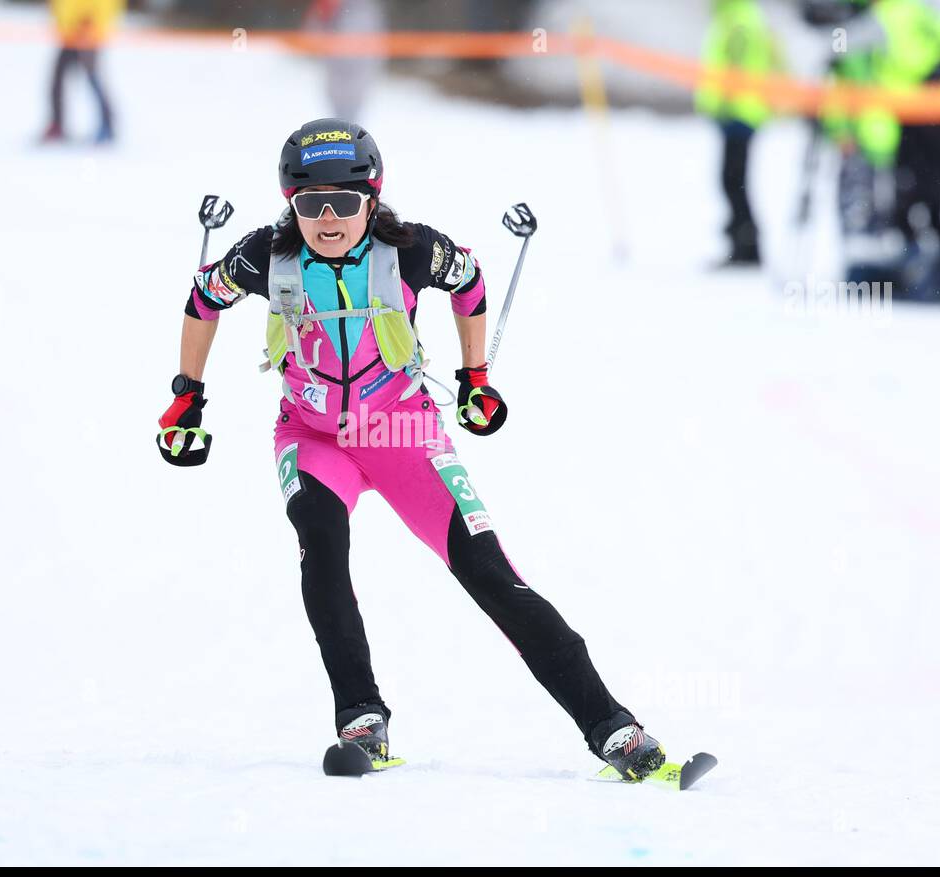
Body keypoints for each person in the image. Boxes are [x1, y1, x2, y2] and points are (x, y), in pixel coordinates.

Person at [157, 118, 665, 779]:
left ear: (372, 197)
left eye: (345, 200)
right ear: (292, 204)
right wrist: (186, 394)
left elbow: (472, 282)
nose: (329, 217)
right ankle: (361, 718)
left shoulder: (410, 250)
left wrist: (474, 377)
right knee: (321, 543)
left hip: (402, 432)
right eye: (311, 204)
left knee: (490, 573)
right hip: (312, 437)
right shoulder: (266, 255)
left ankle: (613, 728)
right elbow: (203, 297)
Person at [806, 0, 940, 302]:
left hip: (900, 123)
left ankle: (912, 281)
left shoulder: (882, 17)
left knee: (895, 206)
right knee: (925, 207)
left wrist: (833, 37)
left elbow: (842, 49)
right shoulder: (919, 11)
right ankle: (932, 281)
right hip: (937, 118)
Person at [696, 0, 782, 266]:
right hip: (737, 110)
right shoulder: (739, 16)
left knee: (733, 180)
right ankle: (743, 241)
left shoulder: (739, 19)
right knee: (733, 180)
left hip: (739, 112)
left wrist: (725, 101)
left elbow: (738, 66)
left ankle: (746, 244)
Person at [42, 0, 124, 145]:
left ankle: (107, 125)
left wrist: (93, 22)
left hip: (87, 33)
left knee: (93, 79)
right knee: (58, 79)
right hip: (69, 34)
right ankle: (57, 124)